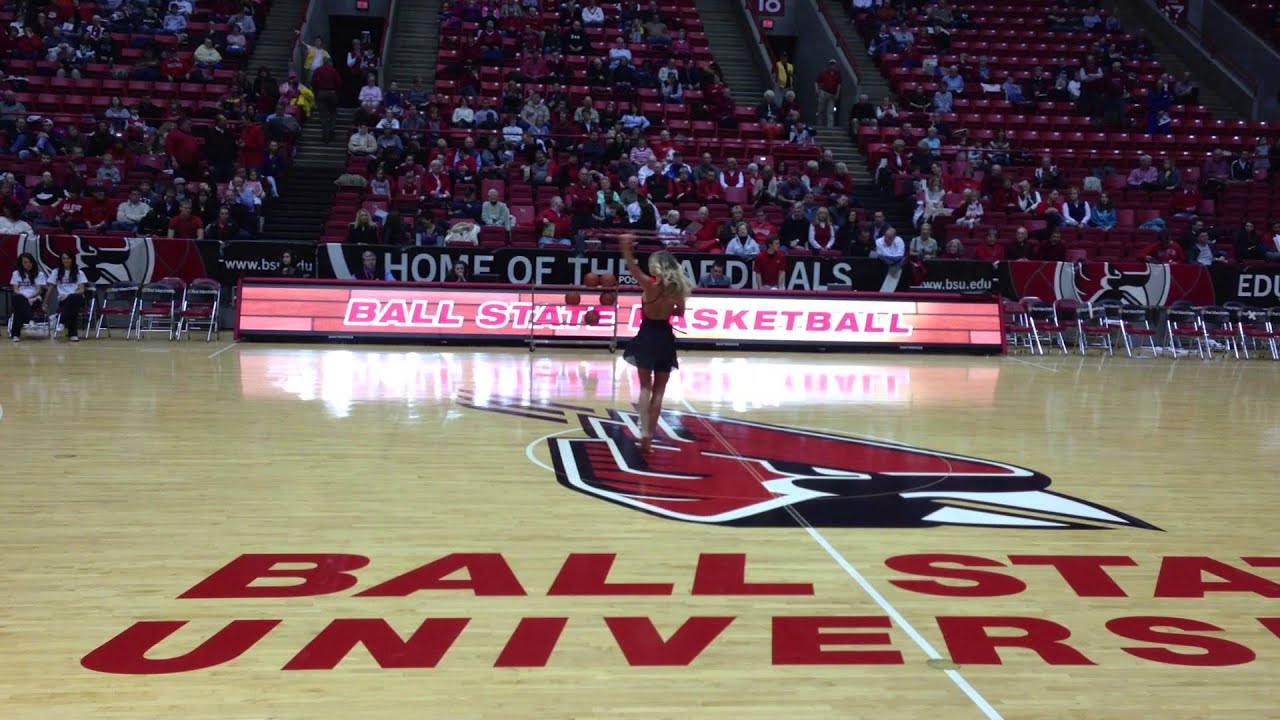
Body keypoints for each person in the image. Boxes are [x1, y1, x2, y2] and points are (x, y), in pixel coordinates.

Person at [619, 235, 691, 453]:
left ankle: (644, 432)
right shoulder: (677, 289)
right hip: (665, 337)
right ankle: (651, 431)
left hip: (648, 334)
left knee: (644, 386)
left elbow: (632, 269)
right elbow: (679, 313)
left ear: (656, 267)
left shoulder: (650, 287)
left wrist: (626, 249)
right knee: (659, 390)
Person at [46, 251, 88, 342]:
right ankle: (73, 335)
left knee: (74, 298)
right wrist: (44, 302)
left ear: (72, 259)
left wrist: (68, 295)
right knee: (73, 309)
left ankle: (61, 320)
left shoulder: (79, 272)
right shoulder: (56, 272)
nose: (66, 260)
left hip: (78, 298)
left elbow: (81, 290)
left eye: (68, 258)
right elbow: (50, 288)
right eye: (63, 258)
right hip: (64, 301)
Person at [8, 252, 46, 341]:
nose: (28, 264)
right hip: (20, 297)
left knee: (19, 310)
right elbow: (16, 290)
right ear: (21, 263)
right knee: (19, 300)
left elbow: (38, 290)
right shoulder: (16, 273)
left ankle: (15, 335)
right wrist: (24, 298)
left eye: (29, 262)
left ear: (33, 263)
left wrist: (30, 298)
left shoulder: (39, 274)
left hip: (34, 299)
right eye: (25, 262)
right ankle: (30, 320)